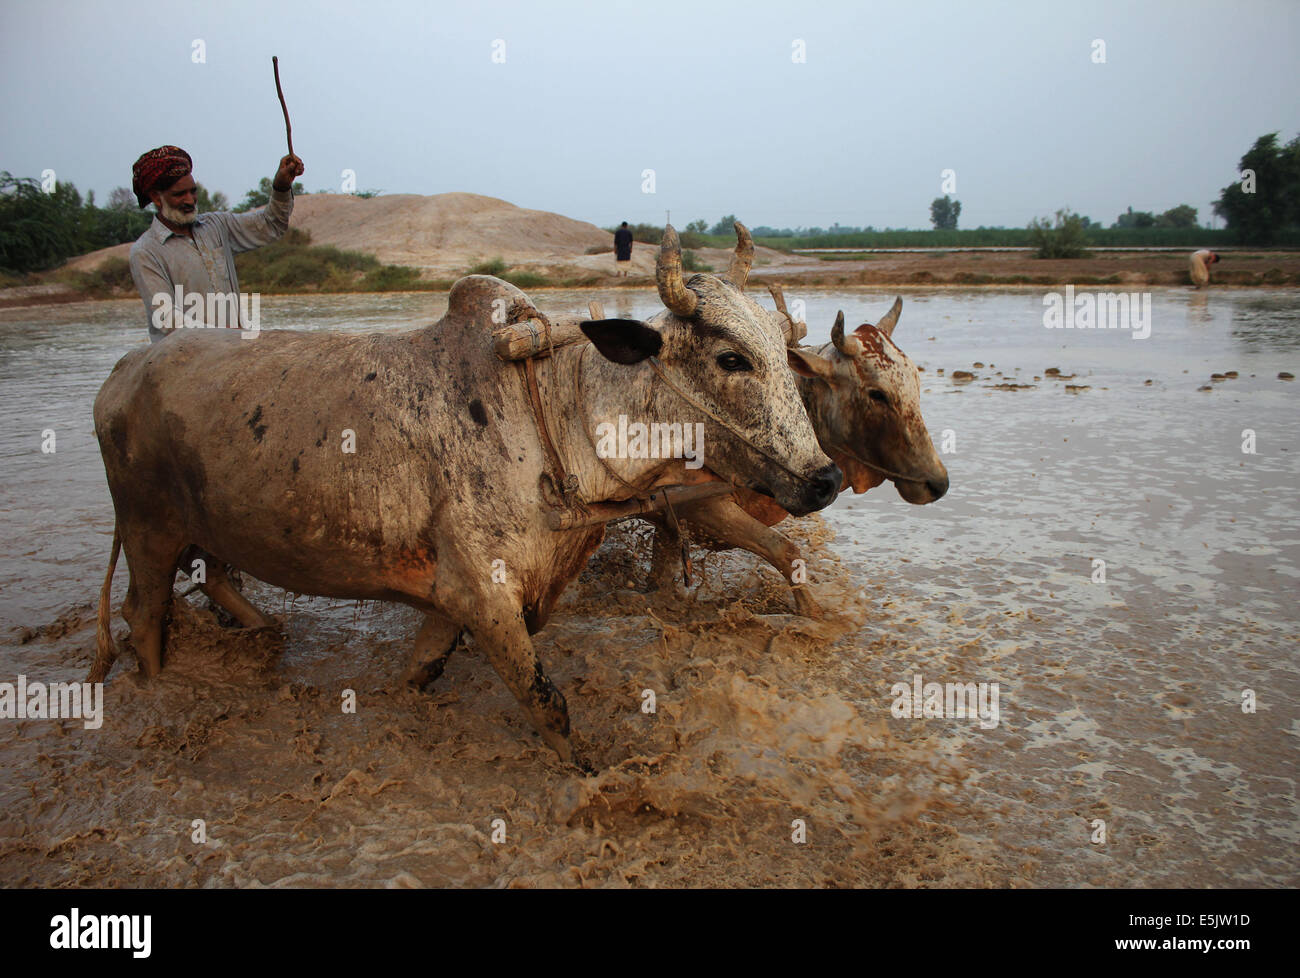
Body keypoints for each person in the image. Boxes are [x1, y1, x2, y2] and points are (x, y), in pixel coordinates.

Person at [128, 145, 305, 342]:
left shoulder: (216, 225)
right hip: (182, 363)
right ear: (156, 197)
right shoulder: (146, 252)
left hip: (234, 354)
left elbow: (270, 226)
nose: (190, 200)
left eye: (193, 191)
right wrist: (227, 334)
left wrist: (281, 187)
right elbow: (168, 320)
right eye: (179, 194)